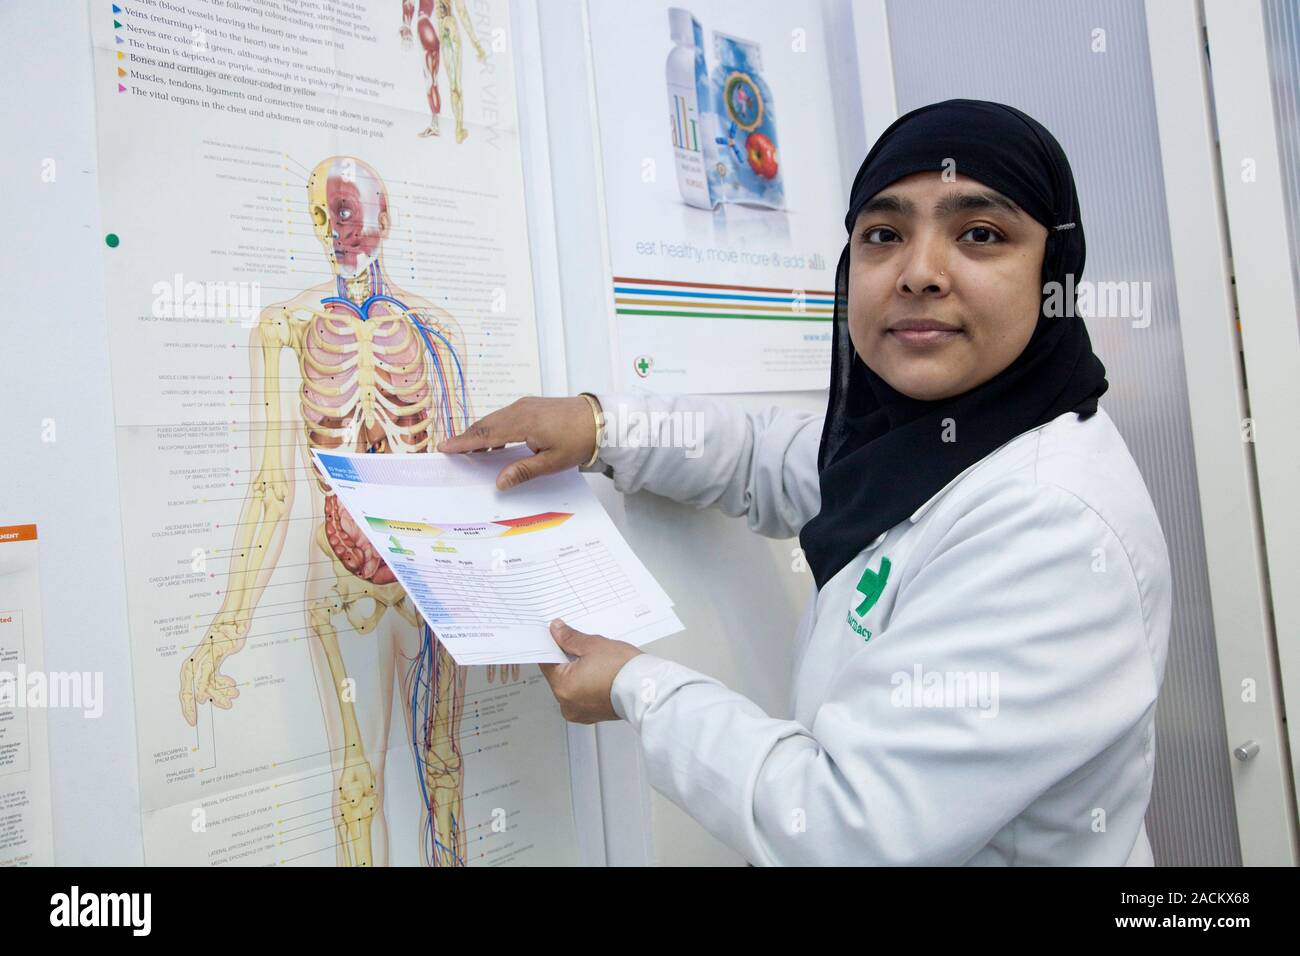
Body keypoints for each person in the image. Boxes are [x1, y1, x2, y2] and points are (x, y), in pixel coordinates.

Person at [436, 99, 1172, 866]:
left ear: (1053, 271)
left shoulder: (1050, 526)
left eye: (979, 235)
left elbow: (847, 831)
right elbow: (776, 459)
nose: (919, 272)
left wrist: (637, 688)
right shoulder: (928, 440)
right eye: (884, 235)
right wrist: (600, 425)